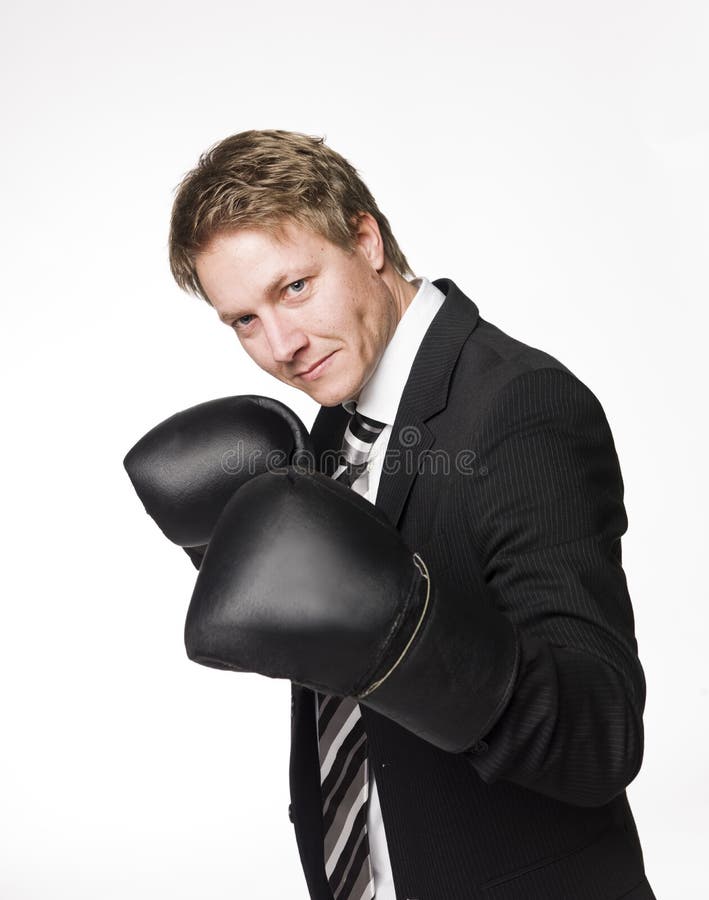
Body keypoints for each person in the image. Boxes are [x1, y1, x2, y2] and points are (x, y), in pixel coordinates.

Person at [129, 129, 656, 899]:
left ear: (366, 239)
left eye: (295, 287)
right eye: (242, 320)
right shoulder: (335, 423)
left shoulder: (520, 407)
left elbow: (599, 735)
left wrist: (412, 641)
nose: (282, 345)